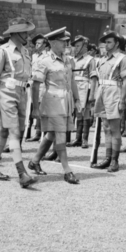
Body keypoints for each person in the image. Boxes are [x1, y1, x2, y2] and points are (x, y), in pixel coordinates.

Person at [0, 17, 37, 187]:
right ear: (15, 33)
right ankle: (22, 173)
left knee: (3, 132)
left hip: (22, 93)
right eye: (24, 32)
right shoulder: (3, 51)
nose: (27, 35)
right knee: (14, 132)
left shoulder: (25, 51)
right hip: (7, 93)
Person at [27, 28, 81, 184]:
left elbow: (71, 81)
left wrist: (77, 99)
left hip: (66, 101)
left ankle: (35, 160)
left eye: (66, 41)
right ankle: (67, 170)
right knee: (60, 135)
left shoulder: (68, 60)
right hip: (52, 101)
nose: (66, 44)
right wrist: (36, 108)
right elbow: (36, 85)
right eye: (62, 41)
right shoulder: (43, 61)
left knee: (51, 134)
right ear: (52, 42)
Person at [91, 30, 126, 172]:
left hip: (114, 93)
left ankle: (115, 160)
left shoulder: (122, 59)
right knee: (106, 128)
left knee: (114, 129)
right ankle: (107, 158)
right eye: (105, 42)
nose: (106, 45)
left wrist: (122, 100)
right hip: (102, 93)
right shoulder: (102, 59)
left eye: (109, 42)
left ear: (117, 43)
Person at [68, 35, 98, 148]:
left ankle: (84, 139)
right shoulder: (72, 59)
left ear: (85, 46)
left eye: (78, 45)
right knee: (77, 114)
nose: (75, 48)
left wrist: (92, 94)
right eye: (75, 46)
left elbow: (94, 78)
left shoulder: (90, 60)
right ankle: (77, 139)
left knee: (85, 114)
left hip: (84, 88)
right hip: (73, 88)